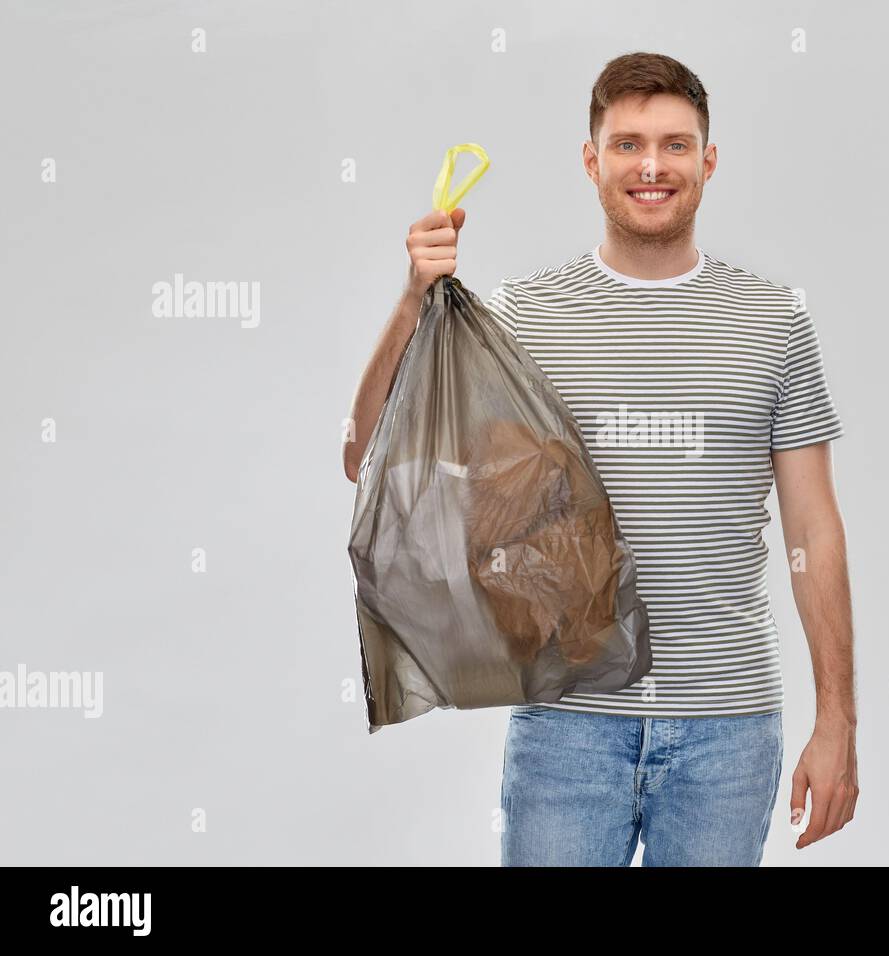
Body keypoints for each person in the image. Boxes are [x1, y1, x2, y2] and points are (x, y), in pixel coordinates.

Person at [343, 52, 857, 866]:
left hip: (727, 727)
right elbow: (366, 452)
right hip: (566, 727)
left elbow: (815, 530)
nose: (651, 166)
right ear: (592, 161)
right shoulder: (520, 315)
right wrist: (413, 298)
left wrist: (839, 723)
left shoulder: (773, 321)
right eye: (627, 144)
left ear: (708, 161)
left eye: (675, 145)